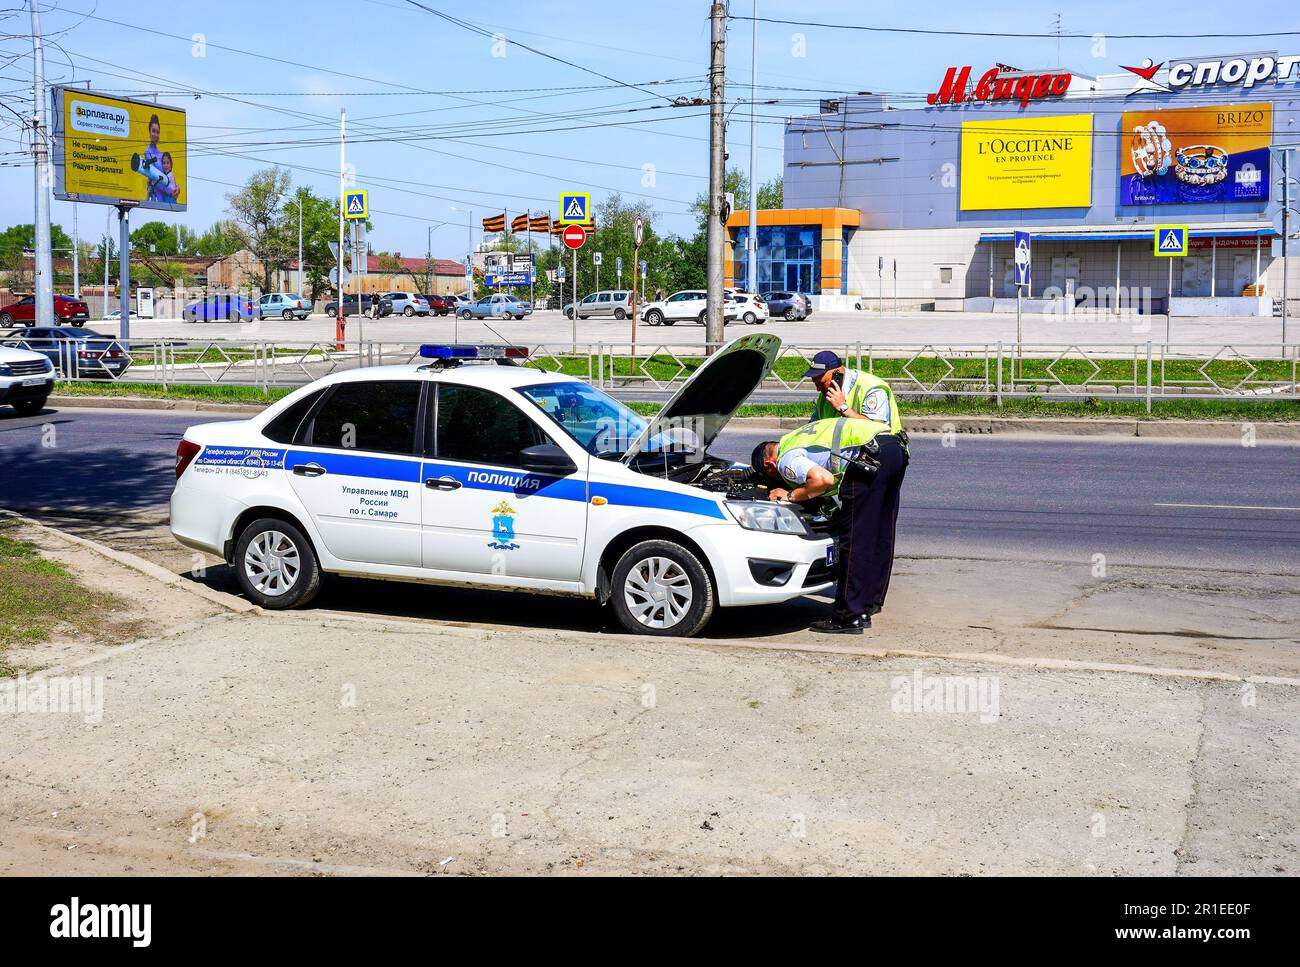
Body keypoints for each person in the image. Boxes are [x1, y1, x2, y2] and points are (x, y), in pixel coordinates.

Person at [751, 414, 908, 635]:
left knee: (854, 539)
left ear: (769, 464)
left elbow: (823, 480)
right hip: (894, 448)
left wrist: (790, 494)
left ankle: (848, 616)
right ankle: (869, 604)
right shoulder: (799, 437)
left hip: (866, 460)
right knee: (880, 532)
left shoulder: (785, 458)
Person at [803, 350, 903, 435]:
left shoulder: (871, 388)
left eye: (822, 383)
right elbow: (812, 427)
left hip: (879, 454)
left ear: (837, 374)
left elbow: (876, 428)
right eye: (815, 384)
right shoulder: (826, 395)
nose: (818, 389)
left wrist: (843, 407)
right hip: (839, 453)